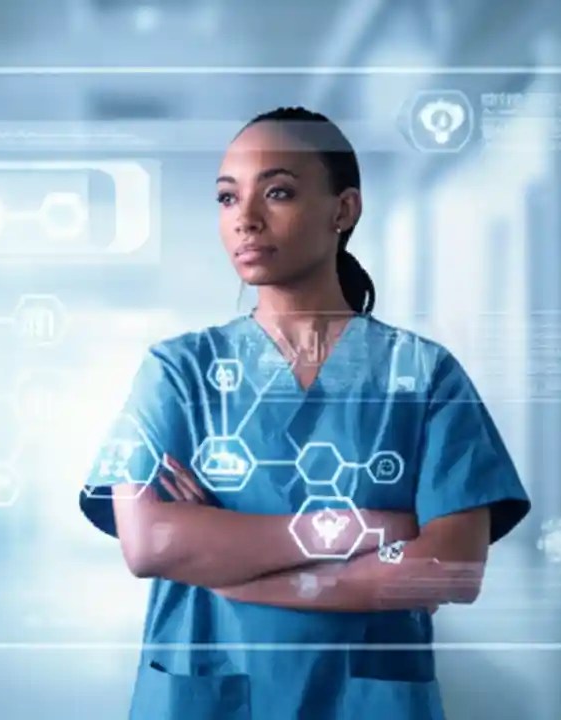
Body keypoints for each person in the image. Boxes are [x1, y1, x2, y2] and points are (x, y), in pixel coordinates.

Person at [78, 106, 531, 719]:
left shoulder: (422, 376)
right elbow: (150, 541)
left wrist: (235, 568)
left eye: (279, 192)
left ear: (343, 210)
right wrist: (370, 529)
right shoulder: (178, 371)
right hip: (208, 694)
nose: (246, 219)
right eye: (227, 198)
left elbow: (449, 568)